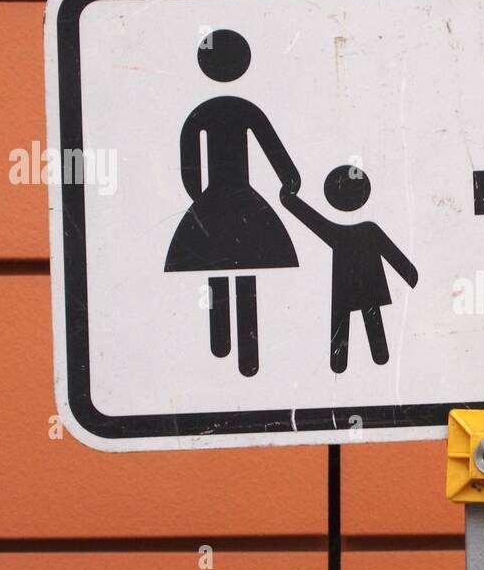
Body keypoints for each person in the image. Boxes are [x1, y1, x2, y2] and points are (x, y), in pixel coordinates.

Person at [164, 29, 300, 377]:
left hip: (219, 198)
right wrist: (290, 181)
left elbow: (189, 167)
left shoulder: (205, 112)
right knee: (240, 273)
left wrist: (201, 201)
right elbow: (275, 153)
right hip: (238, 197)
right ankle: (231, 352)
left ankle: (228, 347)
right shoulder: (241, 109)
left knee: (223, 269)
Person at [279, 166, 418, 373]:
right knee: (369, 320)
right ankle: (366, 359)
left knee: (347, 322)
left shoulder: (339, 233)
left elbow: (312, 219)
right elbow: (395, 256)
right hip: (367, 286)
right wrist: (410, 276)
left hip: (348, 287)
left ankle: (343, 363)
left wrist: (288, 199)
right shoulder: (368, 229)